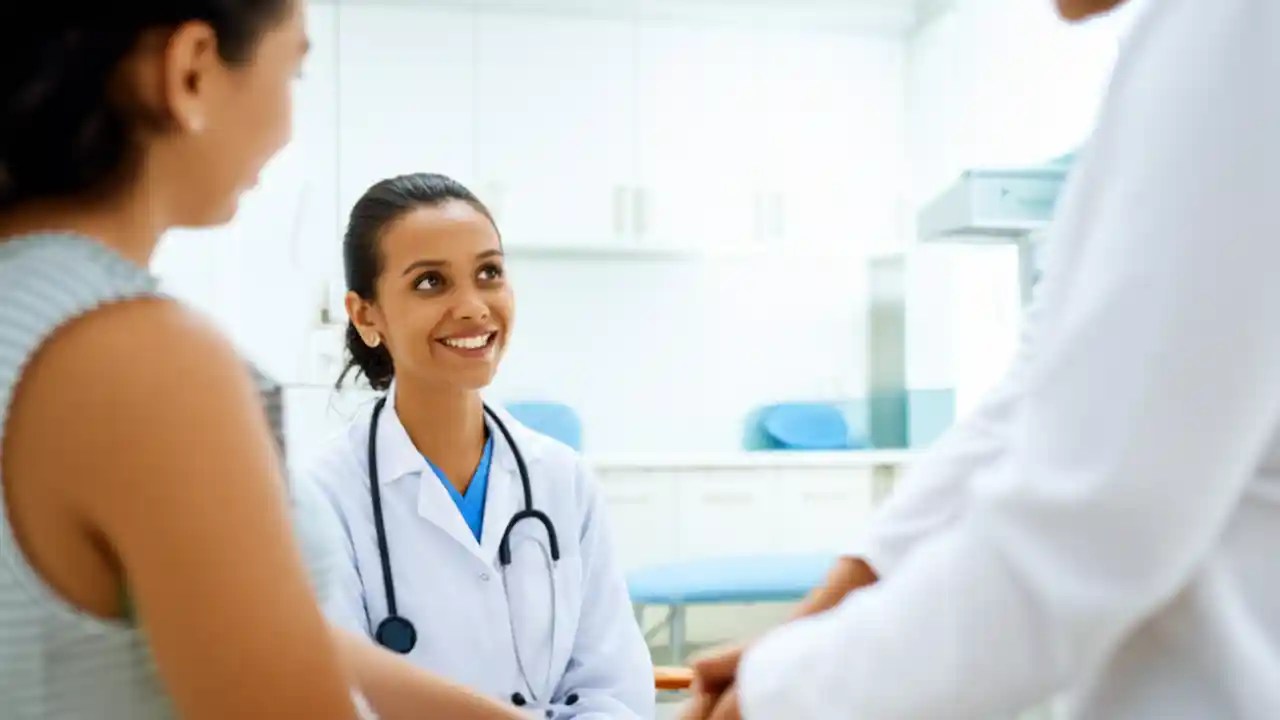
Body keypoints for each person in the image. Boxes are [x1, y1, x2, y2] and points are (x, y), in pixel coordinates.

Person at [684, 0, 1280, 718]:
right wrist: (812, 627)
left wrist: (779, 695)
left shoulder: (1234, 26)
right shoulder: (1177, 50)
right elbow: (1024, 401)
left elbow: (1083, 530)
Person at [0, 5, 526, 719]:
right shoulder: (147, 364)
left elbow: (256, 636)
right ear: (190, 71)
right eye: (294, 69)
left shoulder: (28, 310)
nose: (285, 129)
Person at [304, 172, 655, 719]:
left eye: (488, 273)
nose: (472, 306)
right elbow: (339, 699)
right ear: (365, 314)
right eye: (430, 282)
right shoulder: (323, 496)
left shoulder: (562, 479)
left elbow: (614, 690)